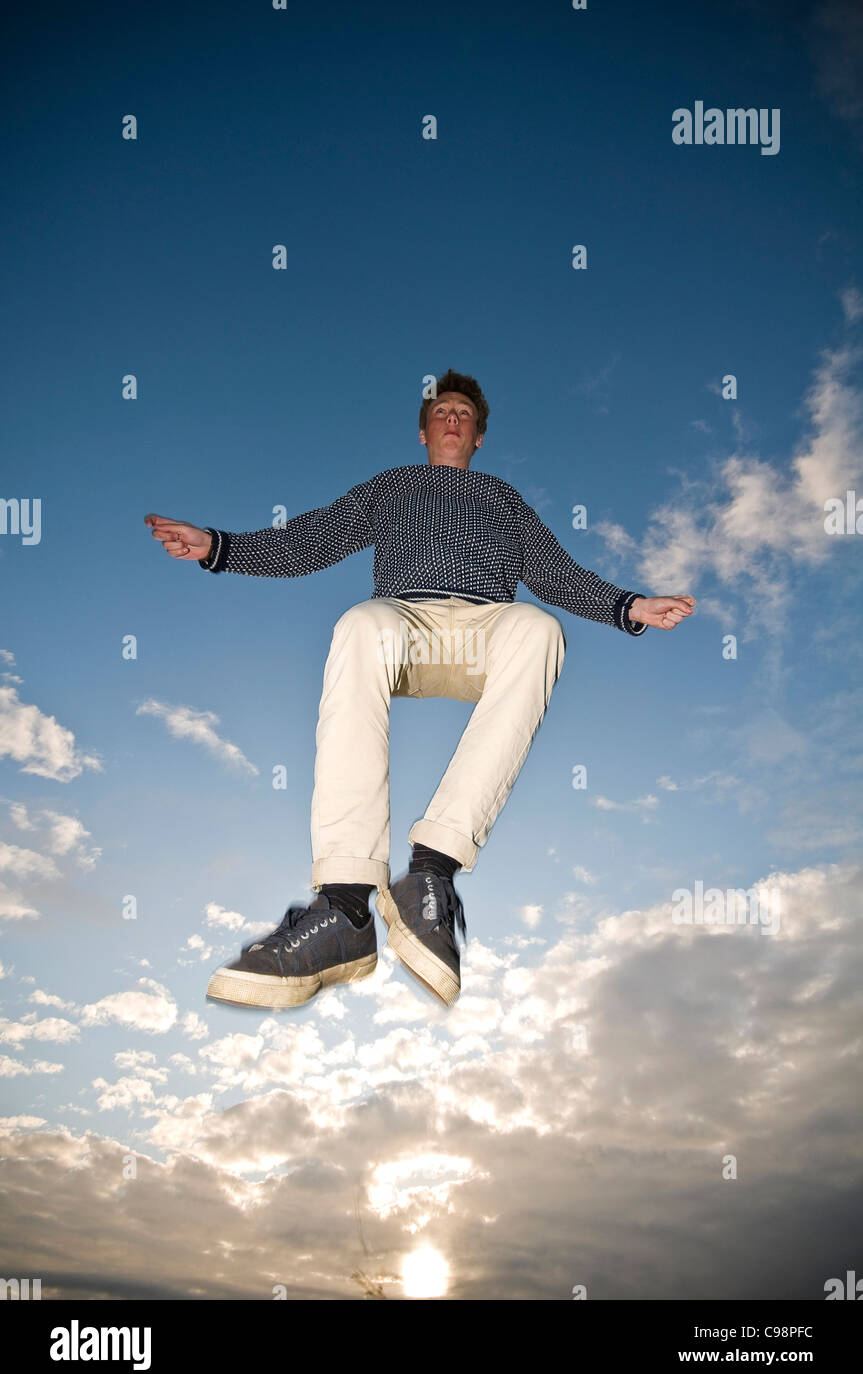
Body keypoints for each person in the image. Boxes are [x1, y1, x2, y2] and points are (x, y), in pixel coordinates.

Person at [145, 368, 695, 1010]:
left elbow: (555, 574)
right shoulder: (394, 486)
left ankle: (433, 869)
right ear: (424, 430)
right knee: (358, 623)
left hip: (484, 628)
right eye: (443, 411)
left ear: (480, 437)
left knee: (540, 628)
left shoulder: (503, 499)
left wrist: (629, 606)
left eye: (465, 413)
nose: (454, 419)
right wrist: (218, 546)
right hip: (405, 622)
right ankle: (346, 906)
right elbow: (308, 542)